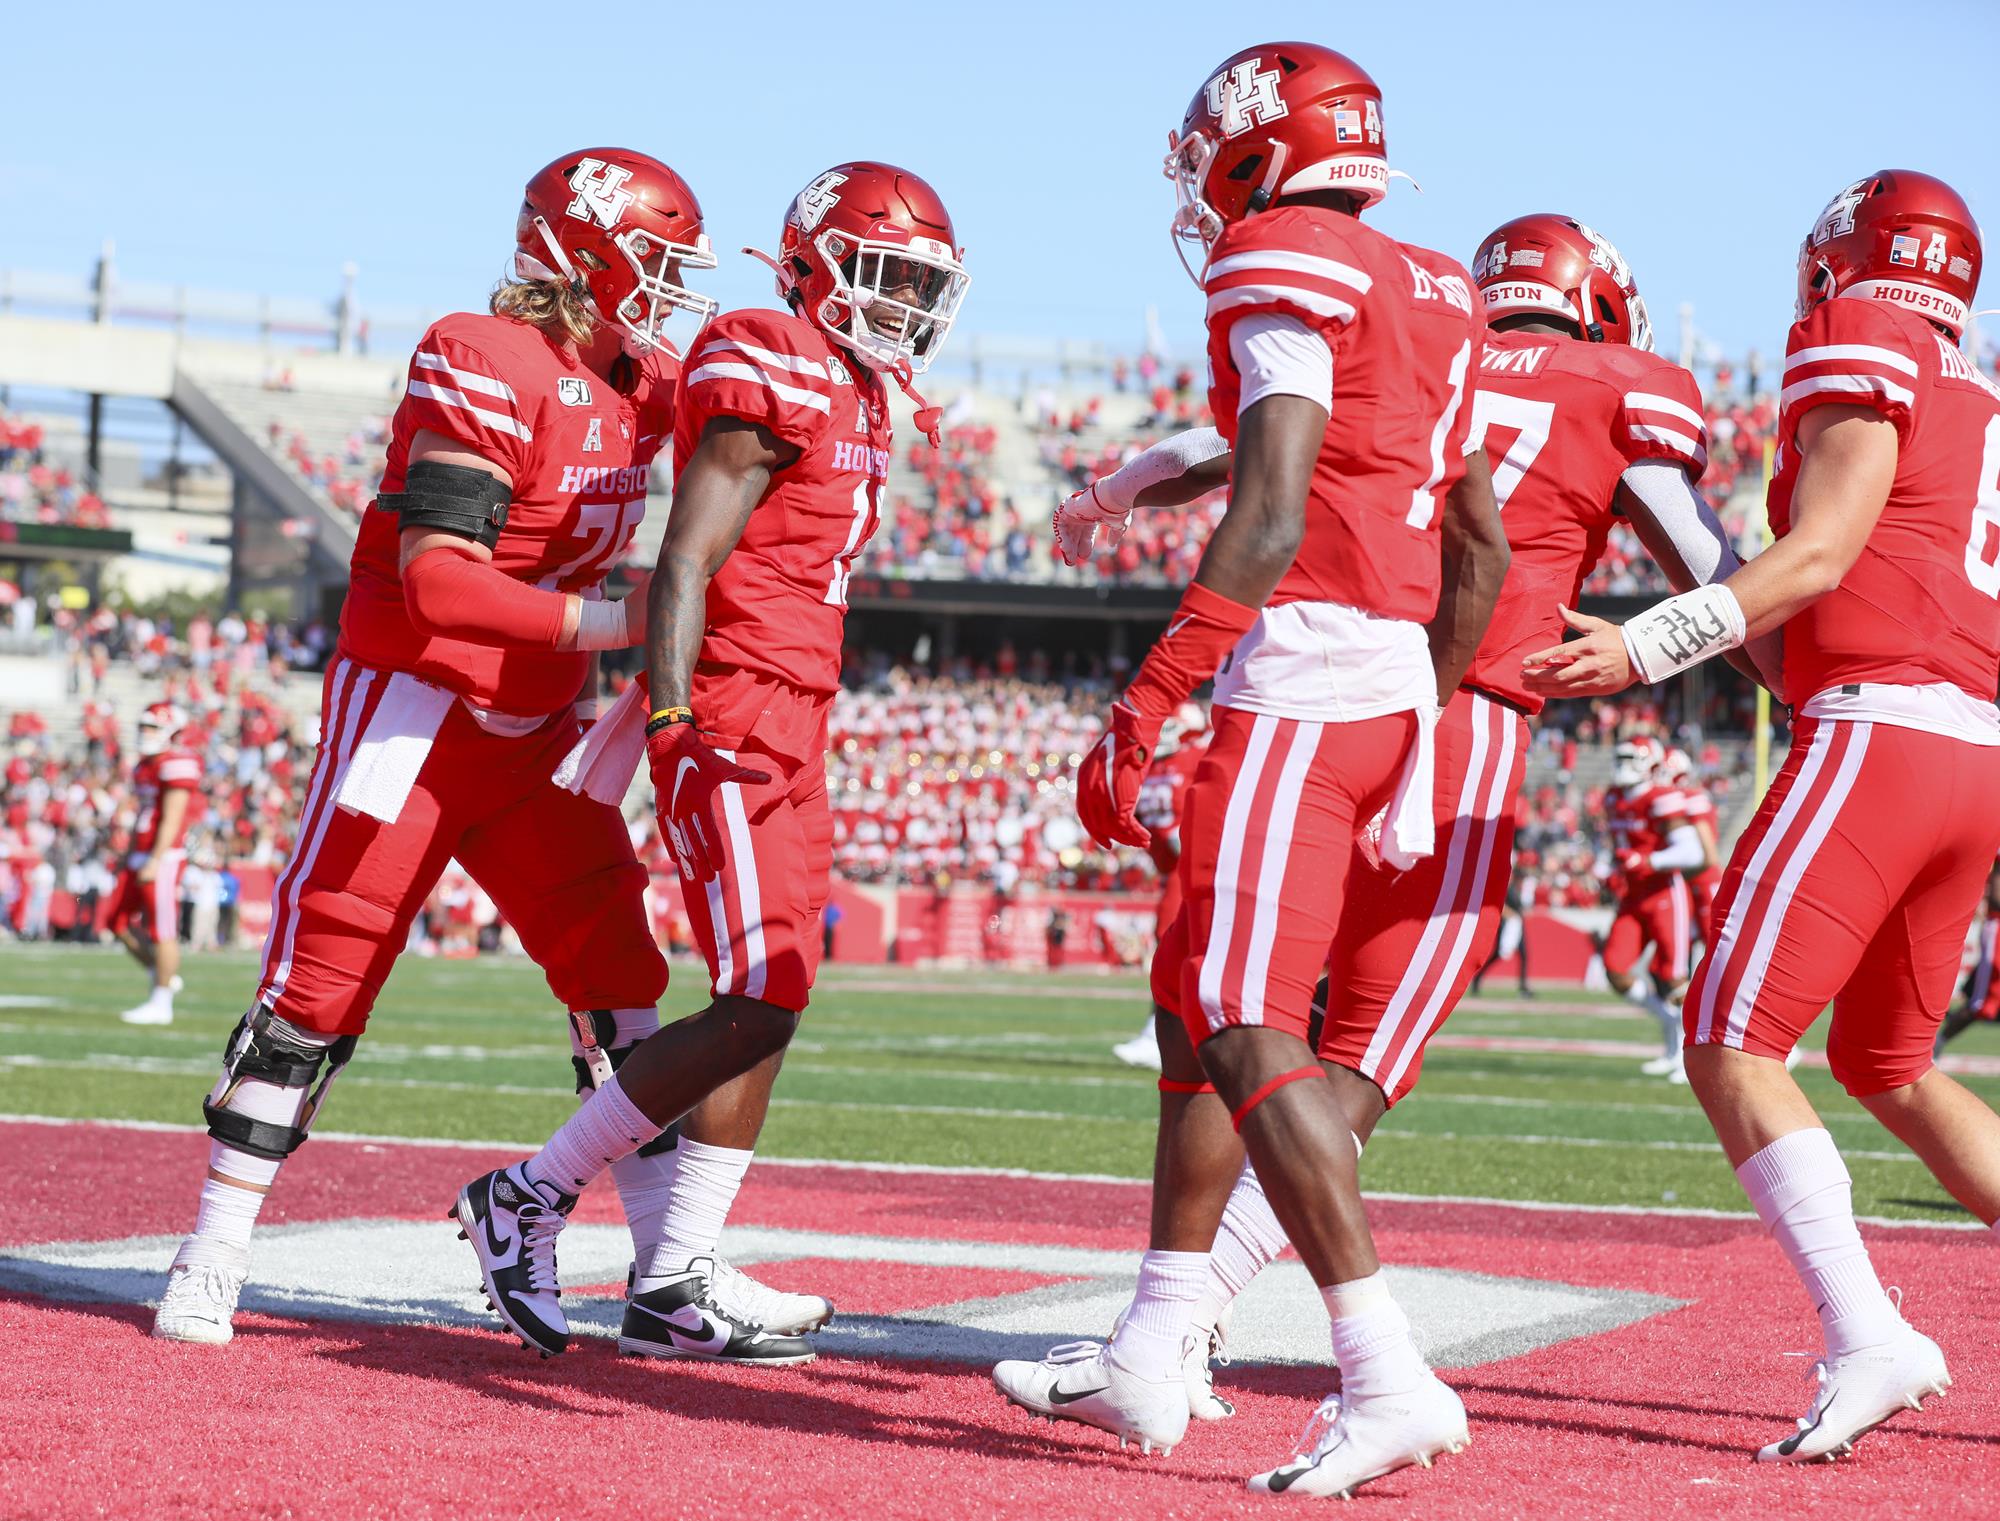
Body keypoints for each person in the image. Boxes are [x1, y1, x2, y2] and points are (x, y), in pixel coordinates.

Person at [1043, 208, 1762, 1443]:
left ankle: (1173, 1332)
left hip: (1355, 683)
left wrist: (1106, 491)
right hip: (1448, 714)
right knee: (1341, 1055)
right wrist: (1728, 663)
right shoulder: (1599, 380)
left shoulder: (1429, 339)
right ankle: (1241, 1341)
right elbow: (1714, 568)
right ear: (1602, 304)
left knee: (1232, 1013)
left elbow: (1229, 445)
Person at [994, 44, 1506, 1496]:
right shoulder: (1438, 288)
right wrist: (1424, 705)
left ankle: (1383, 1369)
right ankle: (1155, 1344)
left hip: (1304, 676)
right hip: (1392, 677)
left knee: (1237, 1016)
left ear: (1252, 153)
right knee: (1188, 1011)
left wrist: (1144, 700)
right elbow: (1478, 542)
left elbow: (1275, 500)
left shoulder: (1284, 255)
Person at [148, 148, 709, 1346]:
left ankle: (666, 1272)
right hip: (421, 702)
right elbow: (444, 586)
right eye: (655, 263)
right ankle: (213, 1250)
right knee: (325, 971)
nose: (668, 291)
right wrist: (631, 618)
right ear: (580, 255)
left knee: (621, 975)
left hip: (540, 724)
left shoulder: (643, 379)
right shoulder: (480, 354)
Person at [451, 162, 969, 1366]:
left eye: (917, 284)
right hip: (729, 705)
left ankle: (673, 1281)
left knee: (779, 992)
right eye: (881, 273)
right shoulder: (767, 352)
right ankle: (528, 1193)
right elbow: (683, 556)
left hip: (797, 708)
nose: (900, 303)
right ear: (811, 261)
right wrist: (677, 716)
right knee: (756, 994)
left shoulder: (854, 383)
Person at [1521, 169, 2000, 1462]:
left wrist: (1646, 642)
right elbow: (1825, 616)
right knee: (1890, 1065)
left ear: (1839, 268)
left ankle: (1870, 1334)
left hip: (1885, 738)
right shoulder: (1972, 387)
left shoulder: (1867, 343)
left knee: (1730, 1040)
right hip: (1969, 750)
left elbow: (1824, 556)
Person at [1111, 701, 1209, 1072]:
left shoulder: (1201, 755)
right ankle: (1169, 1034)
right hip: (1174, 870)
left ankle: (1158, 1034)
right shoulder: (1154, 767)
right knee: (1172, 948)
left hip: (1199, 865)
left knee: (1175, 948)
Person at [1600, 735, 1706, 1080]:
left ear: (1650, 762)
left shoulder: (1661, 798)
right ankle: (1671, 1037)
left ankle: (1690, 1057)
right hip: (1633, 895)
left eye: (1630, 758)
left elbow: (1692, 852)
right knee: (1615, 969)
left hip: (1664, 894)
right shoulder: (1615, 798)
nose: (1622, 765)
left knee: (1674, 978)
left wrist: (1647, 859)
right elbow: (1617, 844)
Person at [111, 702, 201, 1026]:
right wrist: (130, 853)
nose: (145, 734)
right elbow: (143, 815)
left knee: (162, 929)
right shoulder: (145, 765)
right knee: (114, 919)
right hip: (142, 851)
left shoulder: (177, 763)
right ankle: (160, 971)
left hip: (162, 855)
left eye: (152, 728)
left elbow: (173, 819)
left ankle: (161, 1001)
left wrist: (155, 857)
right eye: (143, 727)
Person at [1934, 858, 2000, 1053]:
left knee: (1981, 1001)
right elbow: (1996, 895)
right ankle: (1935, 1045)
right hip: (1997, 926)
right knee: (1980, 1003)